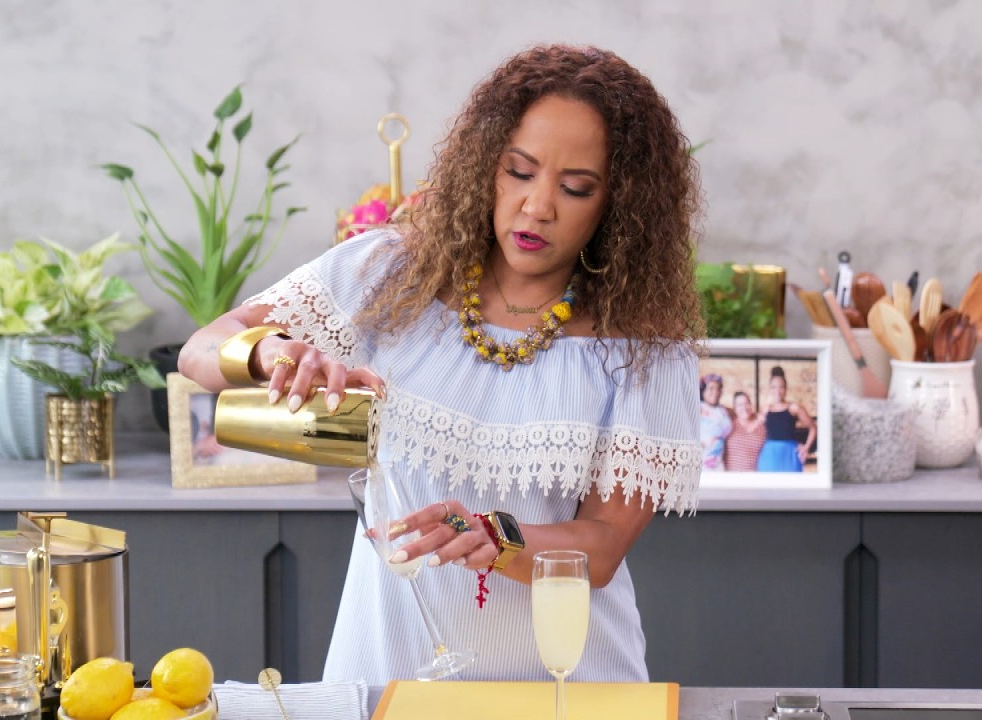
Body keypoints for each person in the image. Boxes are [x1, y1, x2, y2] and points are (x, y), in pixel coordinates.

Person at [178, 44, 702, 684]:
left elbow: (601, 548)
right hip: (387, 677)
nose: (538, 206)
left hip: (567, 685)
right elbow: (200, 350)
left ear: (620, 205)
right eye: (519, 171)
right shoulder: (390, 274)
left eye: (575, 187)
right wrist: (267, 352)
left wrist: (497, 537)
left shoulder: (644, 344)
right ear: (485, 166)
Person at [756, 366, 815, 472]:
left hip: (789, 455)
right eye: (774, 387)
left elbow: (813, 428)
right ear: (770, 389)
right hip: (769, 456)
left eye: (781, 387)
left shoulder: (794, 408)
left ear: (786, 389)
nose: (777, 391)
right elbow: (754, 428)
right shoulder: (766, 410)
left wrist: (806, 447)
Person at [723, 390, 766, 472]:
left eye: (747, 403)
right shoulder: (729, 424)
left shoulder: (762, 426)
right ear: (734, 408)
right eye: (740, 405)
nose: (744, 407)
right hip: (731, 478)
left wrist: (799, 443)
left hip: (754, 478)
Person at [700, 374, 733, 469]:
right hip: (700, 465)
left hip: (719, 465)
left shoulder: (724, 411)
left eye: (718, 389)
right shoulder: (697, 408)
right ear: (703, 390)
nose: (715, 392)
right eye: (711, 388)